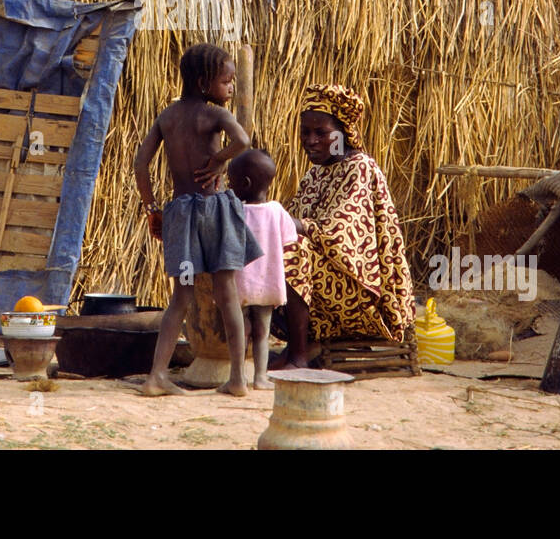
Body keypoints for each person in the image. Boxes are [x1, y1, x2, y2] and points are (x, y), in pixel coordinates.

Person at [135, 43, 259, 396]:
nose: (231, 87)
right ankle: (237, 378)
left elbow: (140, 163)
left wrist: (152, 208)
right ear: (205, 82)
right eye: (226, 81)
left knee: (181, 297)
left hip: (183, 216)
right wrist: (220, 160)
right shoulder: (215, 115)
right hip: (216, 212)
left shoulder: (167, 117)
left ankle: (157, 376)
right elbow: (243, 140)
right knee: (227, 294)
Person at [276, 83, 414, 368]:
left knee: (292, 251)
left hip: (363, 293)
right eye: (305, 132)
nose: (310, 140)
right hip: (324, 283)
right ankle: (288, 347)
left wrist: (282, 221)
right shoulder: (315, 173)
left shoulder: (359, 167)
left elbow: (340, 235)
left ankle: (299, 355)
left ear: (342, 134)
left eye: (321, 133)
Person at [229, 149, 304, 389]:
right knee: (263, 331)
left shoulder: (234, 211)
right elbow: (290, 239)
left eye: (232, 182)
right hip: (267, 282)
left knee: (240, 332)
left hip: (240, 284)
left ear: (245, 183)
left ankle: (238, 377)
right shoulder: (277, 211)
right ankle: (260, 377)